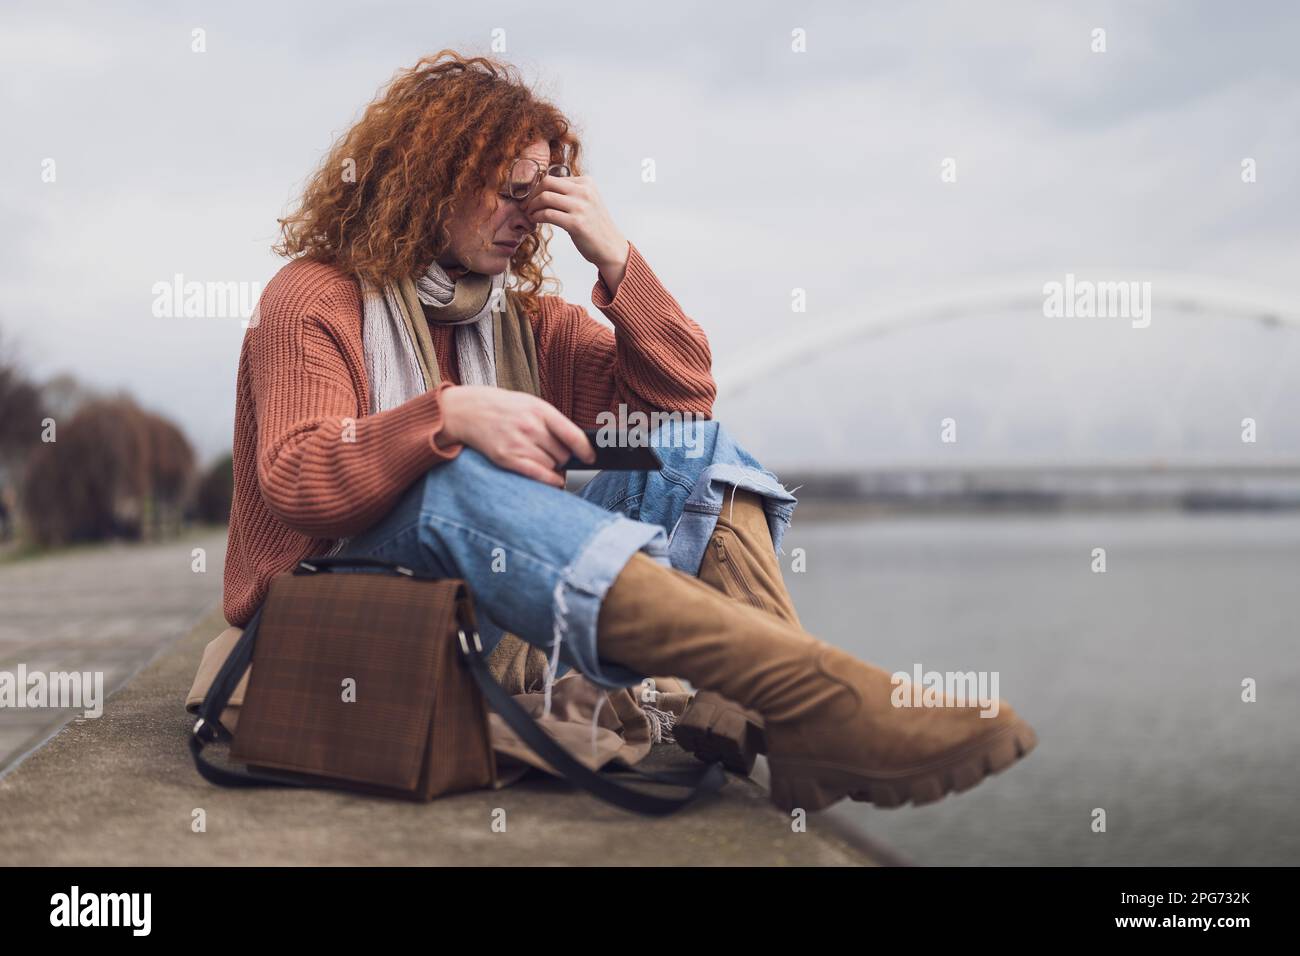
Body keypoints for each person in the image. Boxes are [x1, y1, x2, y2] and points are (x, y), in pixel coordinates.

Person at [224, 49, 1036, 813]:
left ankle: (785, 716)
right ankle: (817, 695)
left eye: (544, 194)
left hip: (488, 614)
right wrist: (449, 415)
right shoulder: (312, 297)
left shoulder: (520, 321)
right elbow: (297, 477)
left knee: (683, 450)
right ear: (428, 180)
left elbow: (683, 405)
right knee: (451, 478)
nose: (530, 217)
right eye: (510, 191)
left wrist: (615, 259)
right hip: (346, 629)